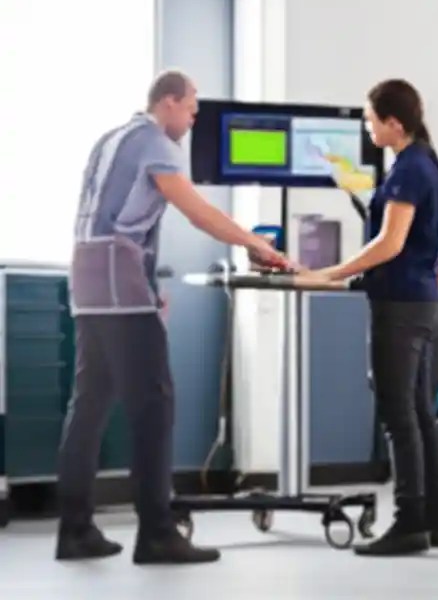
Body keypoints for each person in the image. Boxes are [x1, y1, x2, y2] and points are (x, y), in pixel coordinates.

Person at [56, 70, 293, 564]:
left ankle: (74, 531)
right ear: (168, 102)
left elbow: (118, 214)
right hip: (118, 277)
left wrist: (149, 286)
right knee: (155, 405)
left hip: (88, 278)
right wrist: (255, 242)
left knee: (90, 404)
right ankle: (158, 533)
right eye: (191, 108)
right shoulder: (156, 142)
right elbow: (198, 212)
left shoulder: (110, 139)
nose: (193, 117)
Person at [300, 78, 438, 556]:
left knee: (398, 417)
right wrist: (436, 287)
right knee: (419, 415)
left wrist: (329, 274)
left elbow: (390, 243)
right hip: (422, 304)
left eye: (371, 119)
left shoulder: (409, 169)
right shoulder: (428, 163)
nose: (367, 127)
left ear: (394, 122)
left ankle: (409, 523)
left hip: (399, 308)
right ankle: (432, 523)